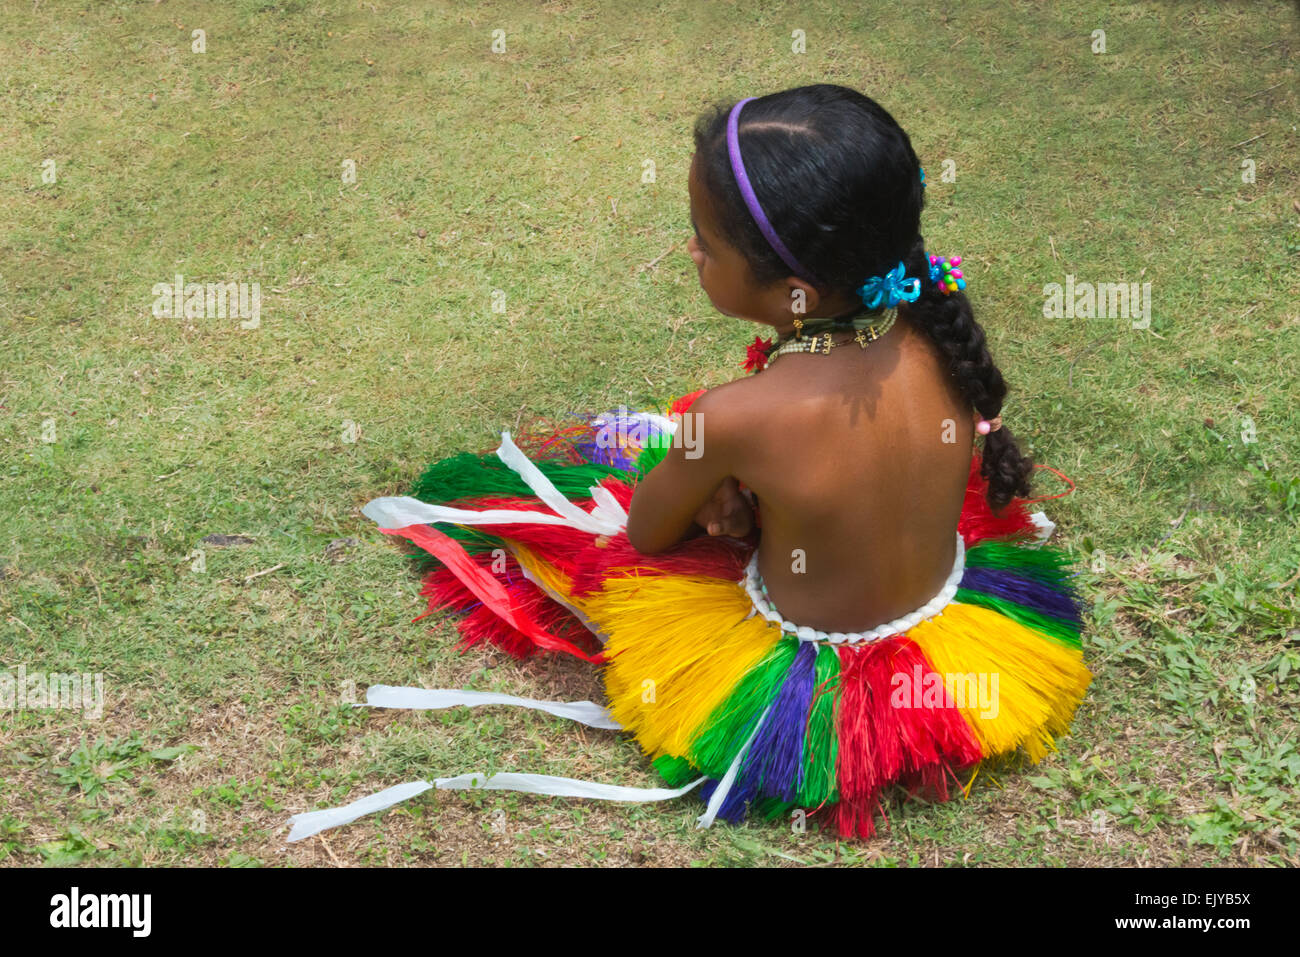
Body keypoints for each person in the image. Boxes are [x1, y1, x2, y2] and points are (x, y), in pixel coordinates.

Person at [286, 85, 1091, 844]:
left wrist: (721, 495)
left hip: (802, 671)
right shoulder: (935, 329)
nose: (691, 250)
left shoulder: (731, 416)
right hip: (948, 616)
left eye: (706, 242)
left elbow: (649, 529)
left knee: (605, 524)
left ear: (799, 291)